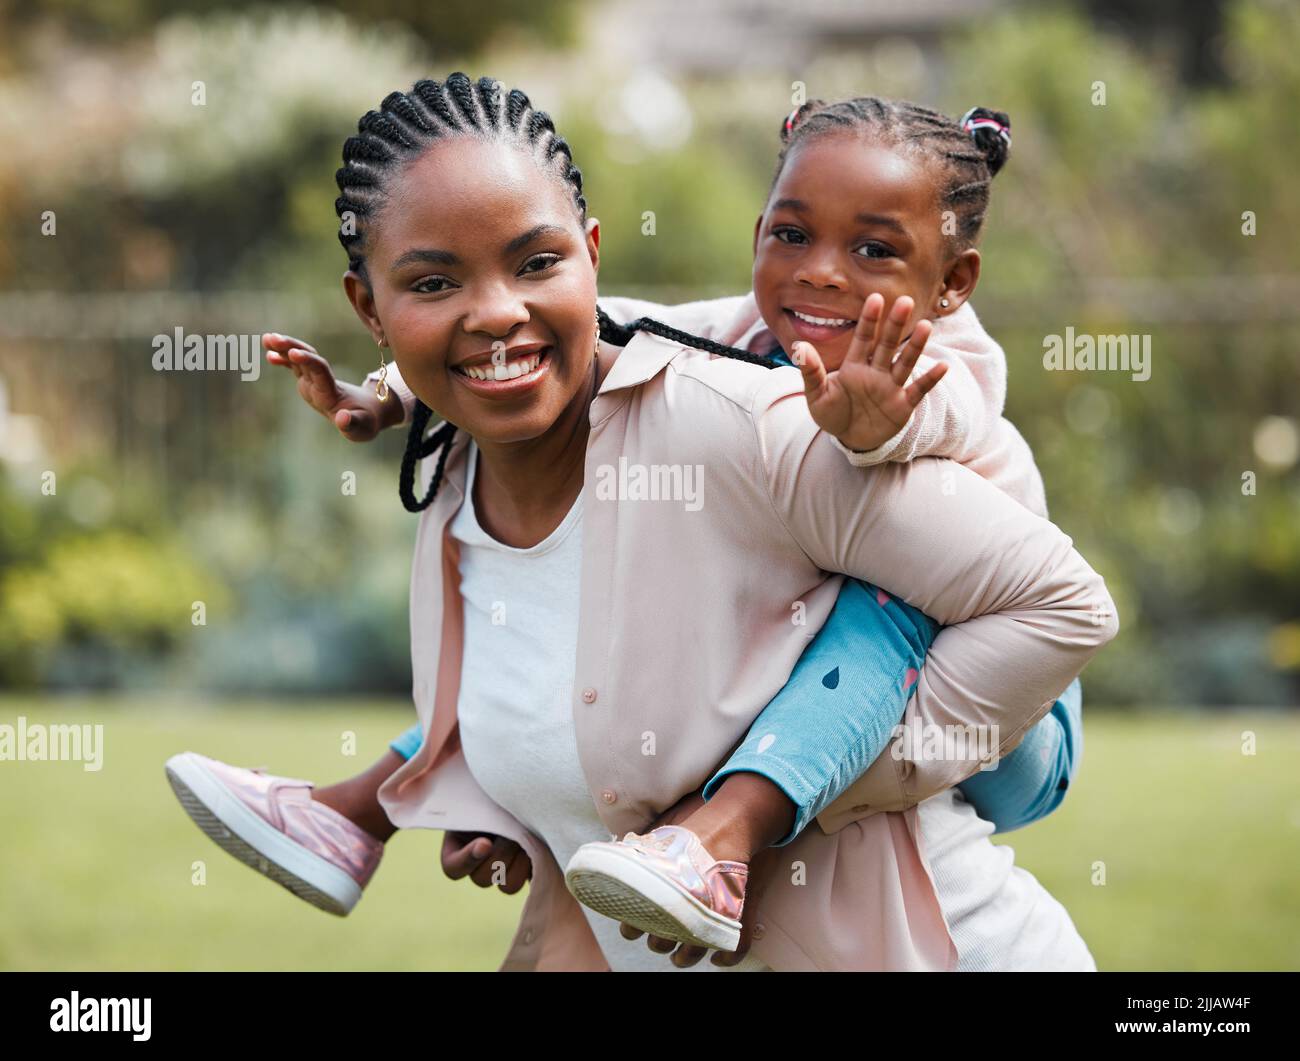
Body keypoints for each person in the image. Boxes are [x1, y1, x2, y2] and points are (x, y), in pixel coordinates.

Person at [166, 74, 1116, 970]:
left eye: (874, 250)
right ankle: (353, 812)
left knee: (868, 626)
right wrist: (521, 802)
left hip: (1003, 705)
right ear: (366, 306)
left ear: (952, 280)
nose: (823, 273)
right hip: (895, 593)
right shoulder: (532, 434)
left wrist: (879, 432)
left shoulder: (902, 379)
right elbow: (611, 321)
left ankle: (734, 824)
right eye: (793, 234)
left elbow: (1057, 600)